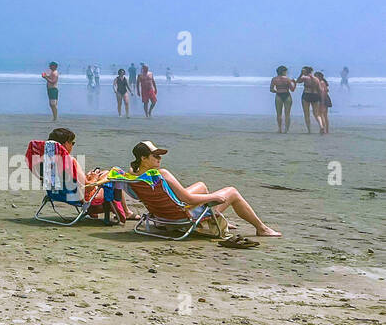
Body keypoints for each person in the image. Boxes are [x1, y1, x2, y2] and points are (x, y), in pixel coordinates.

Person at [127, 141, 280, 238]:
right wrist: (213, 197)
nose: (160, 159)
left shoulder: (133, 175)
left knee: (201, 185)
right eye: (155, 156)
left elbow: (137, 196)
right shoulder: (161, 174)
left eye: (160, 156)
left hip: (161, 214)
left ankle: (215, 218)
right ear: (143, 158)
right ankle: (262, 228)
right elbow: (188, 200)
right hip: (178, 216)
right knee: (231, 191)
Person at [269, 66, 296, 133]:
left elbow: (271, 89)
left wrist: (277, 91)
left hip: (278, 95)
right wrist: (294, 83)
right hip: (287, 95)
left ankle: (280, 129)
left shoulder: (274, 79)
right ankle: (286, 129)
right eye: (286, 71)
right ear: (283, 72)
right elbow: (292, 90)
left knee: (279, 114)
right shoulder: (287, 79)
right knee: (287, 114)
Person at [296, 66, 320, 133]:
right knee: (316, 113)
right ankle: (321, 126)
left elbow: (297, 81)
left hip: (306, 95)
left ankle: (309, 130)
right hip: (315, 95)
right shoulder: (316, 79)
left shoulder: (305, 77)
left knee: (306, 114)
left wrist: (301, 74)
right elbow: (319, 89)